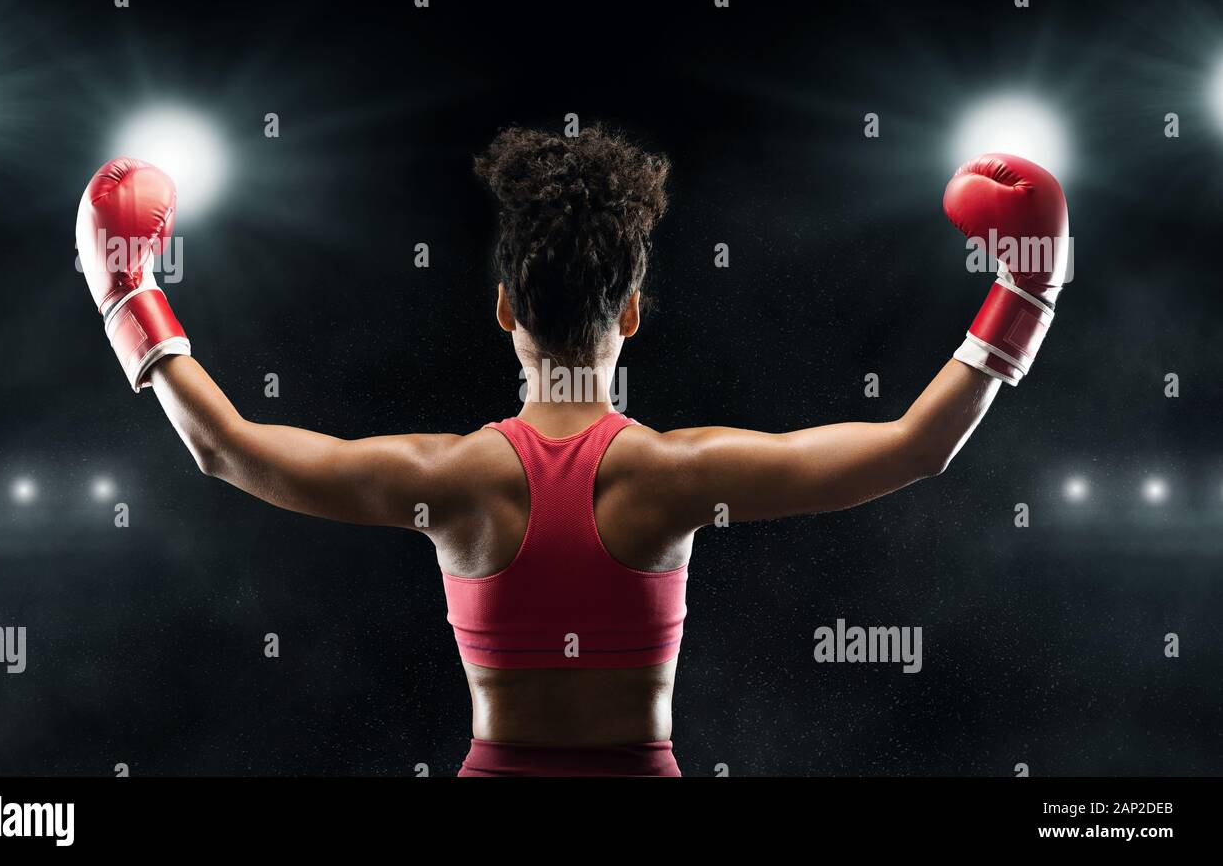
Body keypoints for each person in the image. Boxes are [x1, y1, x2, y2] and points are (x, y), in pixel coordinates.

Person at [74, 127, 1069, 777]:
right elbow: (913, 448)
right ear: (631, 312)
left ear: (505, 310)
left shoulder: (452, 480)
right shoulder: (675, 475)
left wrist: (128, 294)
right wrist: (1022, 292)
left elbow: (228, 449)